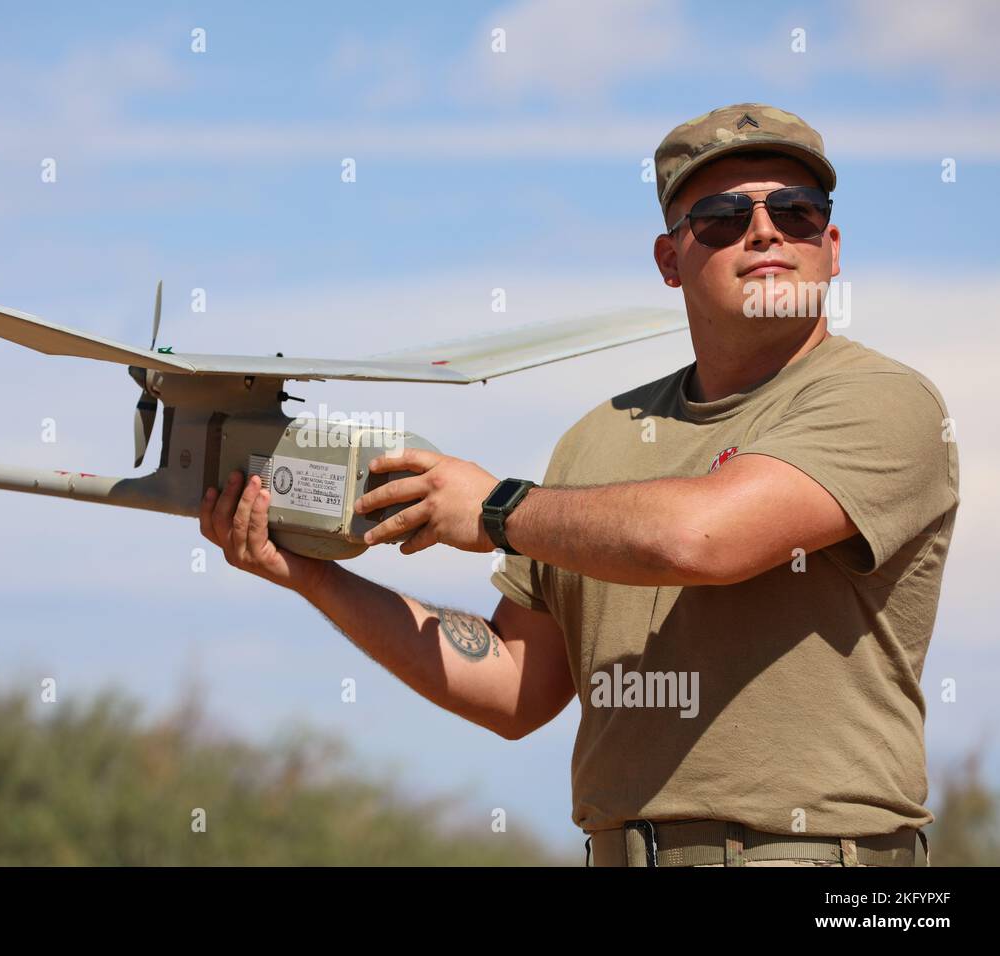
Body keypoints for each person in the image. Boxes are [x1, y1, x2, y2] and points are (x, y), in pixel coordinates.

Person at [197, 103, 959, 867]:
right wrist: (308, 574)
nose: (764, 232)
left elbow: (701, 539)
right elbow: (515, 686)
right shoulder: (599, 439)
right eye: (722, 218)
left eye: (794, 212)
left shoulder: (884, 402)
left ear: (830, 247)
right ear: (669, 261)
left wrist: (496, 509)